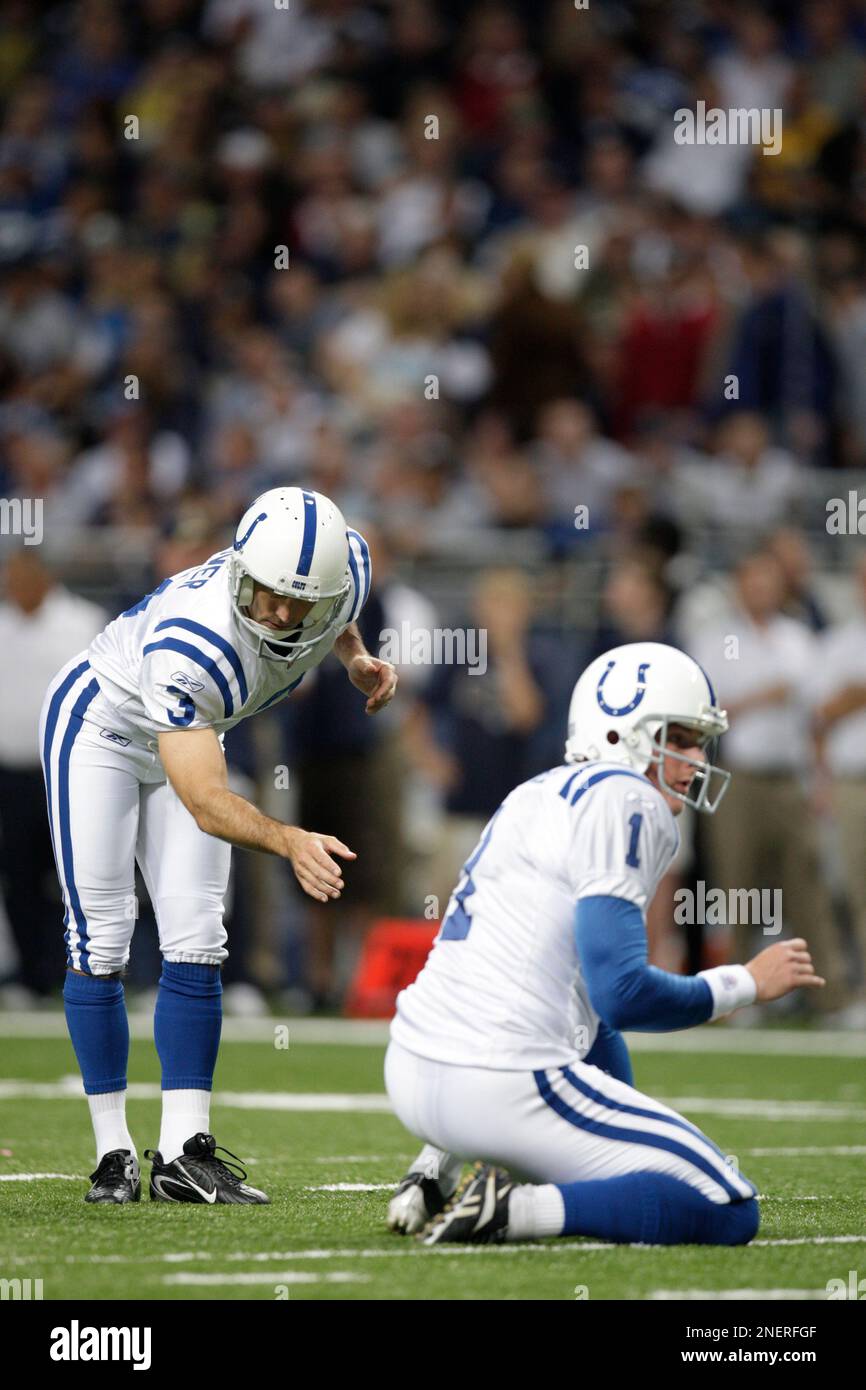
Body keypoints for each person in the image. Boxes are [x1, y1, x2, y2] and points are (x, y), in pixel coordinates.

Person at [384, 643, 822, 1245]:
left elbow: (596, 1003)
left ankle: (437, 1164)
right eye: (684, 739)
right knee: (726, 1203)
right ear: (625, 734)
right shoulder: (628, 799)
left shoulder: (537, 791)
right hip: (499, 1083)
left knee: (589, 1023)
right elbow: (623, 992)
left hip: (412, 1067)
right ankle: (512, 1211)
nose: (696, 760)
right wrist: (744, 983)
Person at [40, 486, 396, 1205]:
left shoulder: (342, 569)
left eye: (303, 601)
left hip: (195, 731)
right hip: (103, 729)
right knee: (103, 937)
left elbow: (339, 602)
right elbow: (204, 802)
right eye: (269, 594)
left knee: (199, 933)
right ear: (240, 570)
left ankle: (183, 1151)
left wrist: (352, 656)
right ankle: (113, 1152)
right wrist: (289, 839)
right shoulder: (192, 643)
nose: (285, 615)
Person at [0, 548, 105, 1001]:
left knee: (73, 875)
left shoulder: (82, 623)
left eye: (20, 576)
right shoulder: (2, 625)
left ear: (44, 577)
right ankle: (28, 975)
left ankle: (78, 970)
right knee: (18, 876)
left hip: (69, 769)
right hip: (12, 773)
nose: (12, 585)